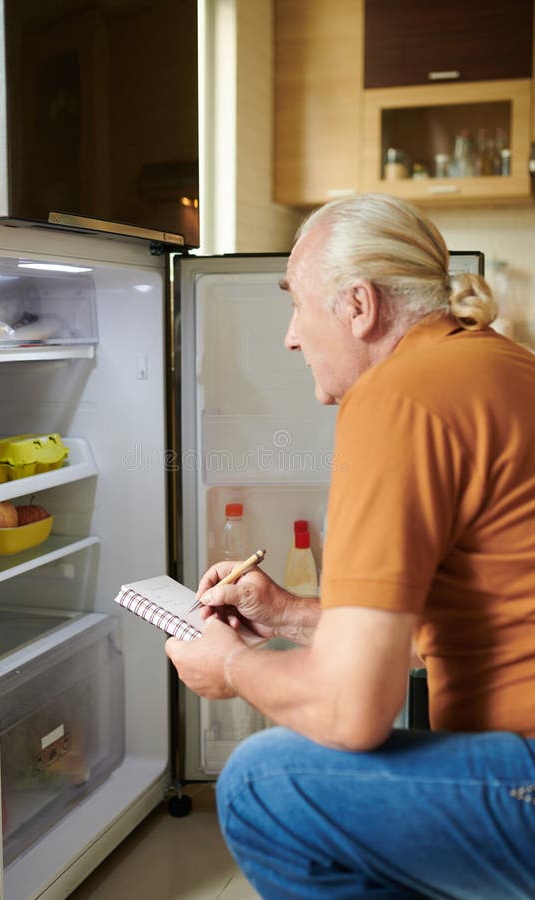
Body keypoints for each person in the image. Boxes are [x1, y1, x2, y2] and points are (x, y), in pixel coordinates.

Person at [165, 193, 535, 899]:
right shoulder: (504, 367)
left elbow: (351, 711)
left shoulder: (397, 399)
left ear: (359, 307)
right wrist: (288, 616)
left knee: (263, 784)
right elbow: (456, 633)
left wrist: (233, 666)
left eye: (297, 306)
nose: (291, 337)